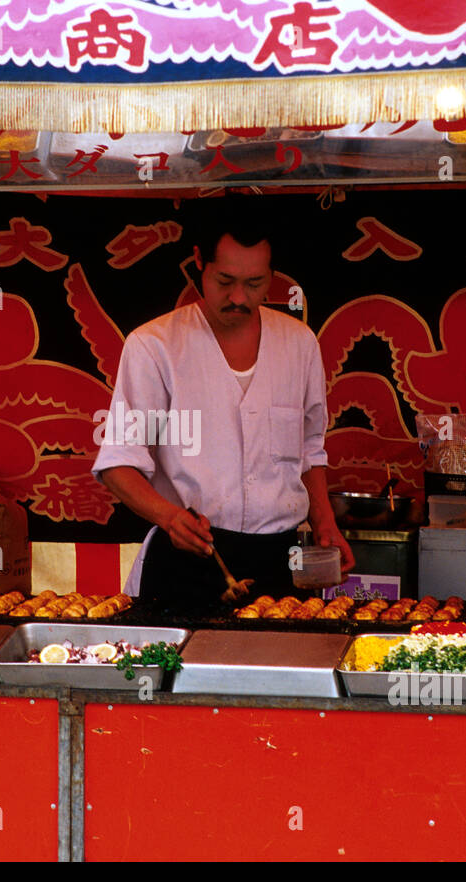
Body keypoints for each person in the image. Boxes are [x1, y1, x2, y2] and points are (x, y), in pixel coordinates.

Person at [92, 210, 355, 606]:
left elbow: (310, 450)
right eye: (225, 281)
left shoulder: (300, 345)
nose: (238, 298)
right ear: (199, 262)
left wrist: (324, 520)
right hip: (187, 559)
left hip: (280, 562)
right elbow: (117, 463)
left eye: (255, 283)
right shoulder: (155, 346)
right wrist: (169, 517)